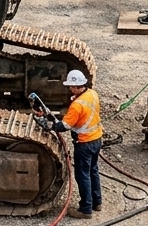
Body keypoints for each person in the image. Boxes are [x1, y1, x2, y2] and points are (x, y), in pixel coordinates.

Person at [35, 70, 103, 220]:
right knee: (93, 171)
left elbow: (63, 126)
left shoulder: (77, 105)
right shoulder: (92, 94)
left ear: (78, 86)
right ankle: (97, 202)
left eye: (72, 86)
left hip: (84, 143)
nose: (70, 89)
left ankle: (85, 210)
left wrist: (47, 124)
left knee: (82, 175)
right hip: (97, 139)